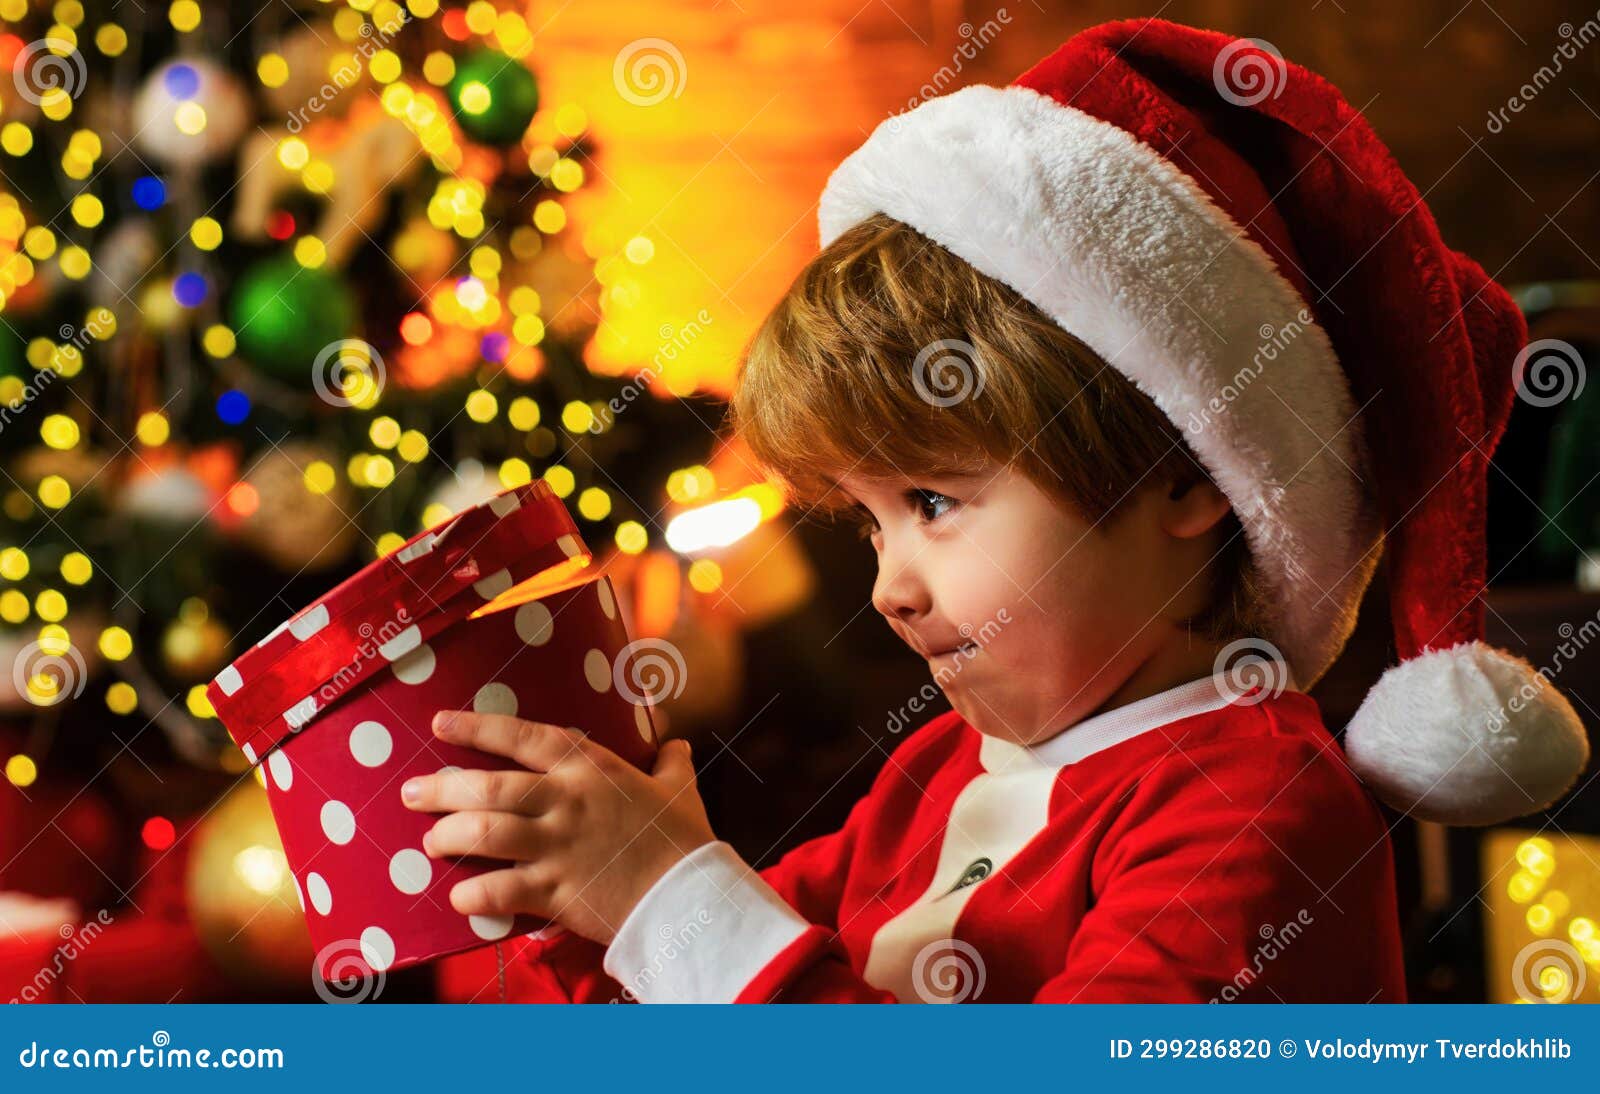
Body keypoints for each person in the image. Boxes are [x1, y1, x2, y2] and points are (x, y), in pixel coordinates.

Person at [405, 17, 1589, 1003]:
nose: (887, 584)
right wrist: (575, 893)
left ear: (1182, 475)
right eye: (868, 521)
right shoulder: (936, 775)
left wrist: (674, 899)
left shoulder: (1257, 806)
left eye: (932, 501)